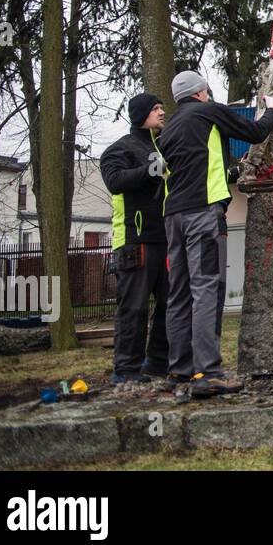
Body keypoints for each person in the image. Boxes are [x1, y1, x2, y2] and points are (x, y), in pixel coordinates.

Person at [158, 70, 273, 397]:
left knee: (180, 292)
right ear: (201, 93)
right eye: (208, 91)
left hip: (174, 216)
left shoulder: (169, 128)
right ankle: (209, 372)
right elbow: (255, 131)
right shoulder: (207, 111)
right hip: (203, 214)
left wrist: (232, 170)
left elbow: (194, 166)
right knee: (205, 289)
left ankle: (179, 370)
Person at [99, 93, 169, 385]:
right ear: (141, 114)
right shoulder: (120, 149)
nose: (162, 112)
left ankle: (158, 362)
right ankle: (126, 369)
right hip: (134, 240)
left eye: (162, 107)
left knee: (170, 303)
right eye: (155, 108)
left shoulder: (164, 146)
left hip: (166, 237)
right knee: (135, 306)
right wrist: (150, 170)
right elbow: (115, 181)